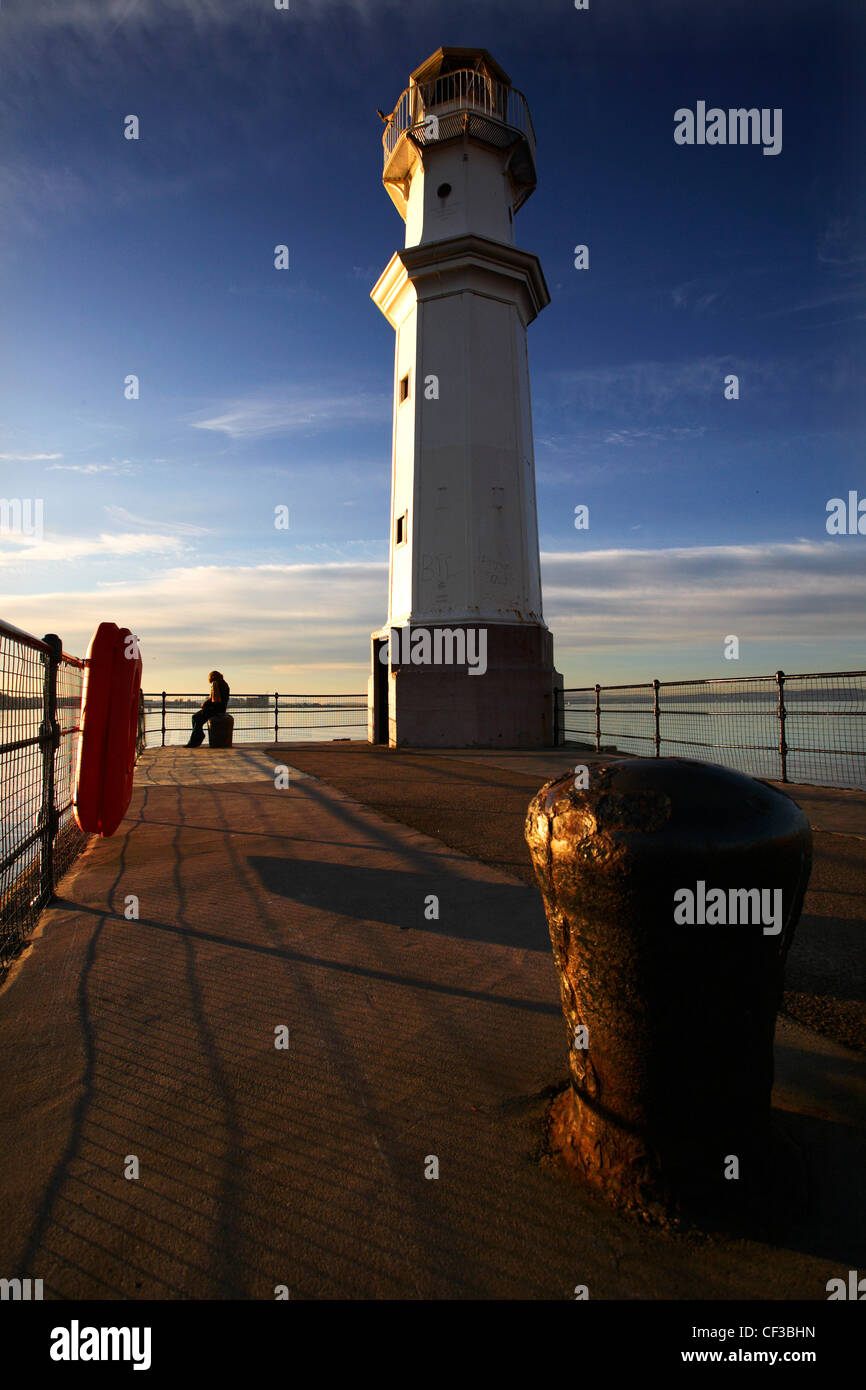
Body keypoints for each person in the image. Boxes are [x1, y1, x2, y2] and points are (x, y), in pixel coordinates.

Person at [185, 670, 230, 747]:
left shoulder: (216, 683)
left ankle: (195, 740)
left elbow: (215, 699)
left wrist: (205, 703)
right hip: (220, 708)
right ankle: (197, 738)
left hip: (215, 709)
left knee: (196, 718)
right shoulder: (224, 684)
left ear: (212, 677)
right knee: (196, 718)